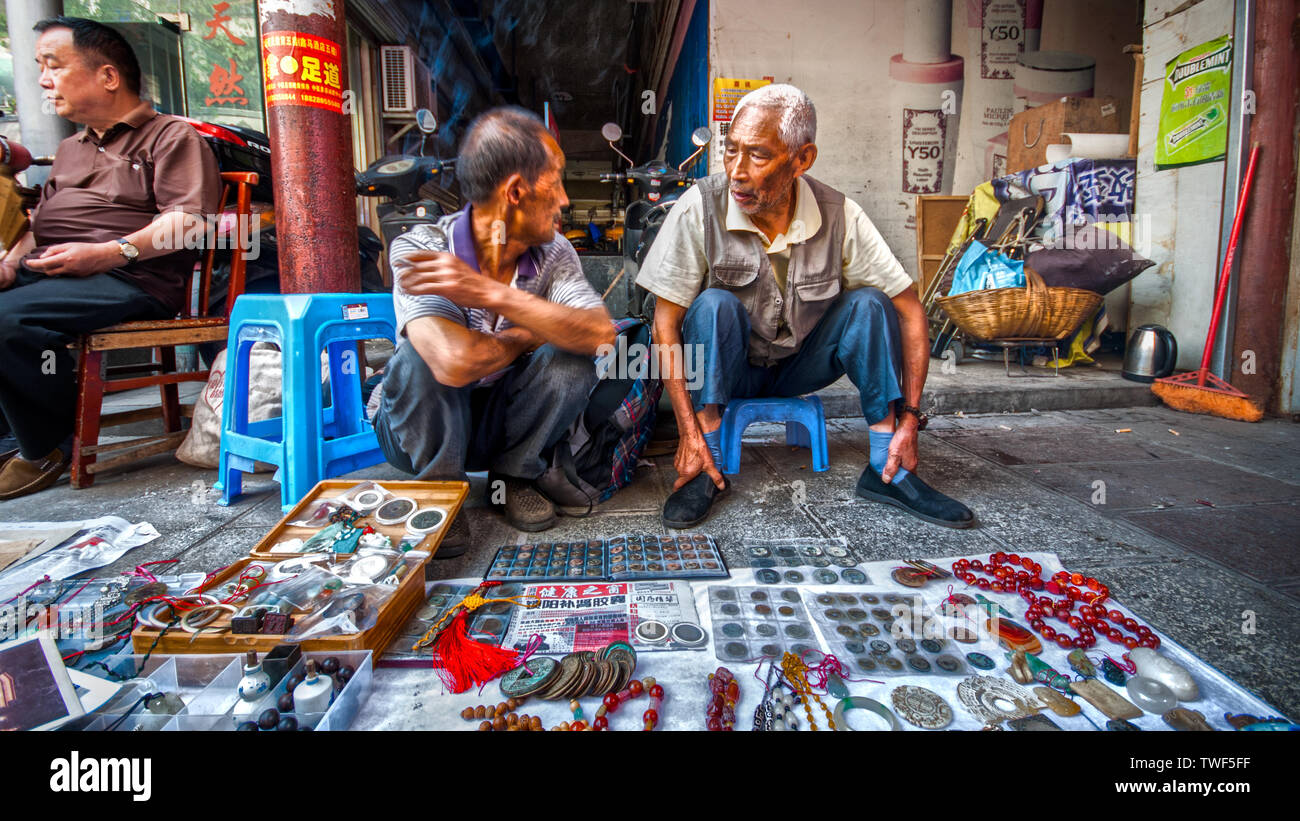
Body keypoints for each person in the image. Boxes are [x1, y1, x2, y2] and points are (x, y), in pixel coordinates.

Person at [636, 84, 975, 529]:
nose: (737, 171)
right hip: (726, 372)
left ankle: (886, 467)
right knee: (714, 305)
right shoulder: (698, 207)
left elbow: (910, 311)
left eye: (757, 155)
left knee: (871, 305)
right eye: (731, 150)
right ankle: (708, 466)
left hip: (800, 364)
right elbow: (665, 323)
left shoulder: (840, 214)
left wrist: (911, 420)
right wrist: (686, 432)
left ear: (802, 159)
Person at [372, 106, 615, 553]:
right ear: (516, 191)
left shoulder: (555, 252)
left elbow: (600, 333)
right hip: (421, 429)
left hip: (502, 421)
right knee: (420, 360)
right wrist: (537, 327)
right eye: (556, 181)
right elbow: (453, 363)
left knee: (572, 359)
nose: (564, 200)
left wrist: (491, 294)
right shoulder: (423, 248)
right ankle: (443, 490)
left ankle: (515, 474)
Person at [0, 17, 220, 500]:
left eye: (53, 65)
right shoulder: (68, 149)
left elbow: (190, 222)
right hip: (50, 275)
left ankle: (46, 446)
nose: (42, 79)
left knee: (8, 320)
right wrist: (11, 261)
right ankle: (16, 432)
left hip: (131, 280)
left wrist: (107, 253)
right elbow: (37, 226)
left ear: (107, 76)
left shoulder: (170, 137)